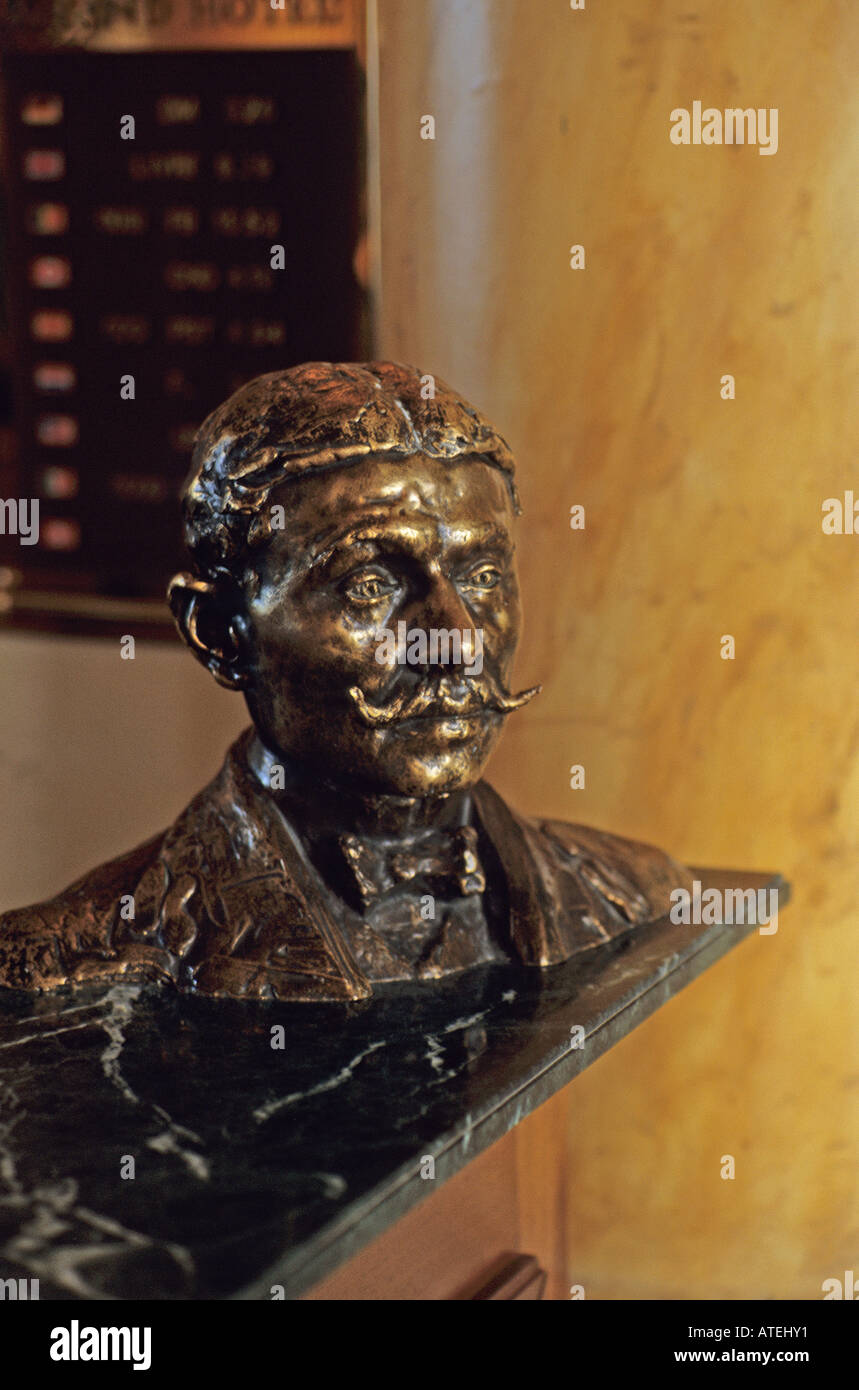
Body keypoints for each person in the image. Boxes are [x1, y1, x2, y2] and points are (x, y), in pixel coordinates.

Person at [0, 361, 692, 1000]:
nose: (454, 642)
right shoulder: (73, 961)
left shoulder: (630, 891)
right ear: (218, 630)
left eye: (481, 577)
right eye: (366, 587)